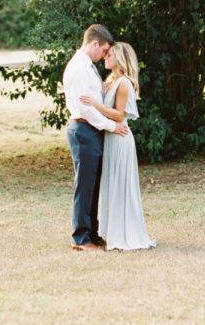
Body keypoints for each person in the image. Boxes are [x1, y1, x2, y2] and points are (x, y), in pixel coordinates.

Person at [80, 42, 156, 251]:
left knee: (120, 185)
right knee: (111, 185)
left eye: (110, 55)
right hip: (110, 136)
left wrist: (96, 105)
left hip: (120, 137)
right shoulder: (110, 80)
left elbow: (120, 115)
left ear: (120, 59)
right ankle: (111, 232)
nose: (105, 57)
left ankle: (126, 233)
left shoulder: (124, 83)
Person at [62, 24, 129, 251]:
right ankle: (80, 238)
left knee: (93, 184)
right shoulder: (79, 68)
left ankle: (91, 232)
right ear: (94, 43)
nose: (104, 56)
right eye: (104, 50)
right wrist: (112, 126)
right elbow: (87, 109)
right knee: (85, 184)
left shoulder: (87, 66)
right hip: (83, 129)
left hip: (91, 129)